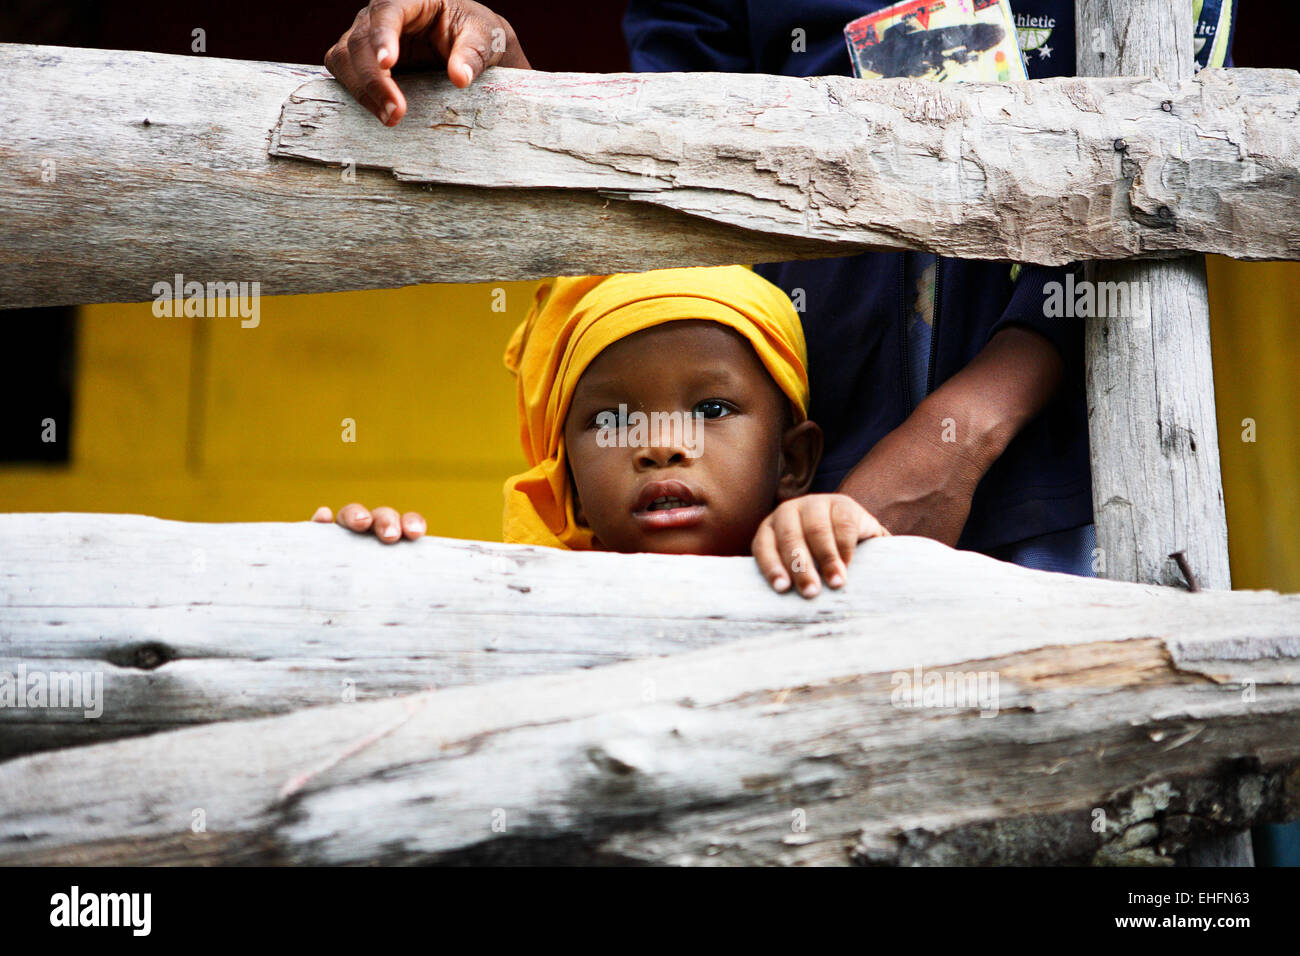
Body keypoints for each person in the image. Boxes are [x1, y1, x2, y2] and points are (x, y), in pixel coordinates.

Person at [317, 265, 890, 597]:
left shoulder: (815, 556)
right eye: (613, 420)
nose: (661, 444)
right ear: (570, 487)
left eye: (712, 410)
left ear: (792, 461)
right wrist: (370, 575)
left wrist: (833, 529)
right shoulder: (521, 597)